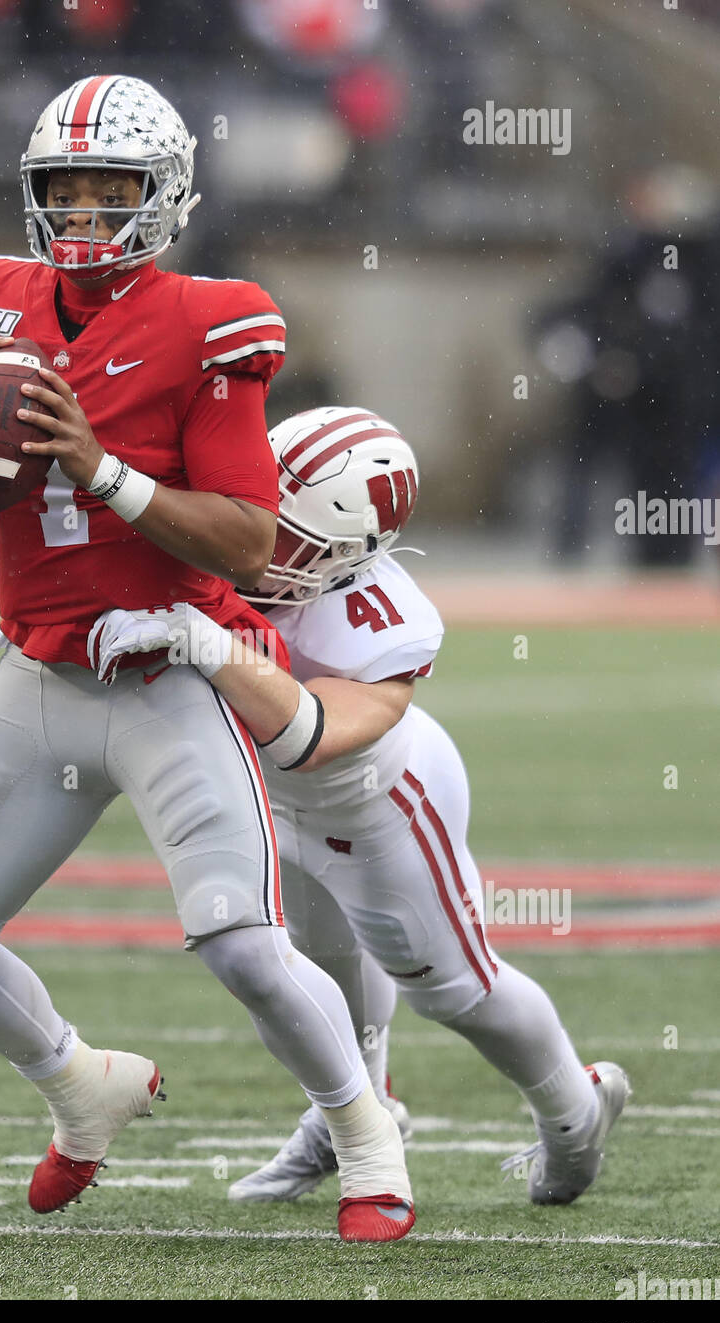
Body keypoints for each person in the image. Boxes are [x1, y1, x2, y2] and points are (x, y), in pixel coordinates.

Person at [0, 77, 413, 1242]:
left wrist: (101, 470)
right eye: (65, 189)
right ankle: (77, 1082)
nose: (85, 212)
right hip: (39, 679)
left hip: (161, 674)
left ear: (166, 195)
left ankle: (365, 1134)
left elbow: (247, 535)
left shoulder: (212, 319)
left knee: (244, 945)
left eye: (111, 189)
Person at [88, 405, 632, 1206]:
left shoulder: (381, 621)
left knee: (455, 990)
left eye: (287, 530)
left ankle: (573, 1111)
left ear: (348, 549)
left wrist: (205, 642)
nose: (260, 540)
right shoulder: (236, 533)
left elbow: (309, 737)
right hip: (274, 807)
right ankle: (358, 1118)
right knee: (305, 978)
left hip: (379, 812)